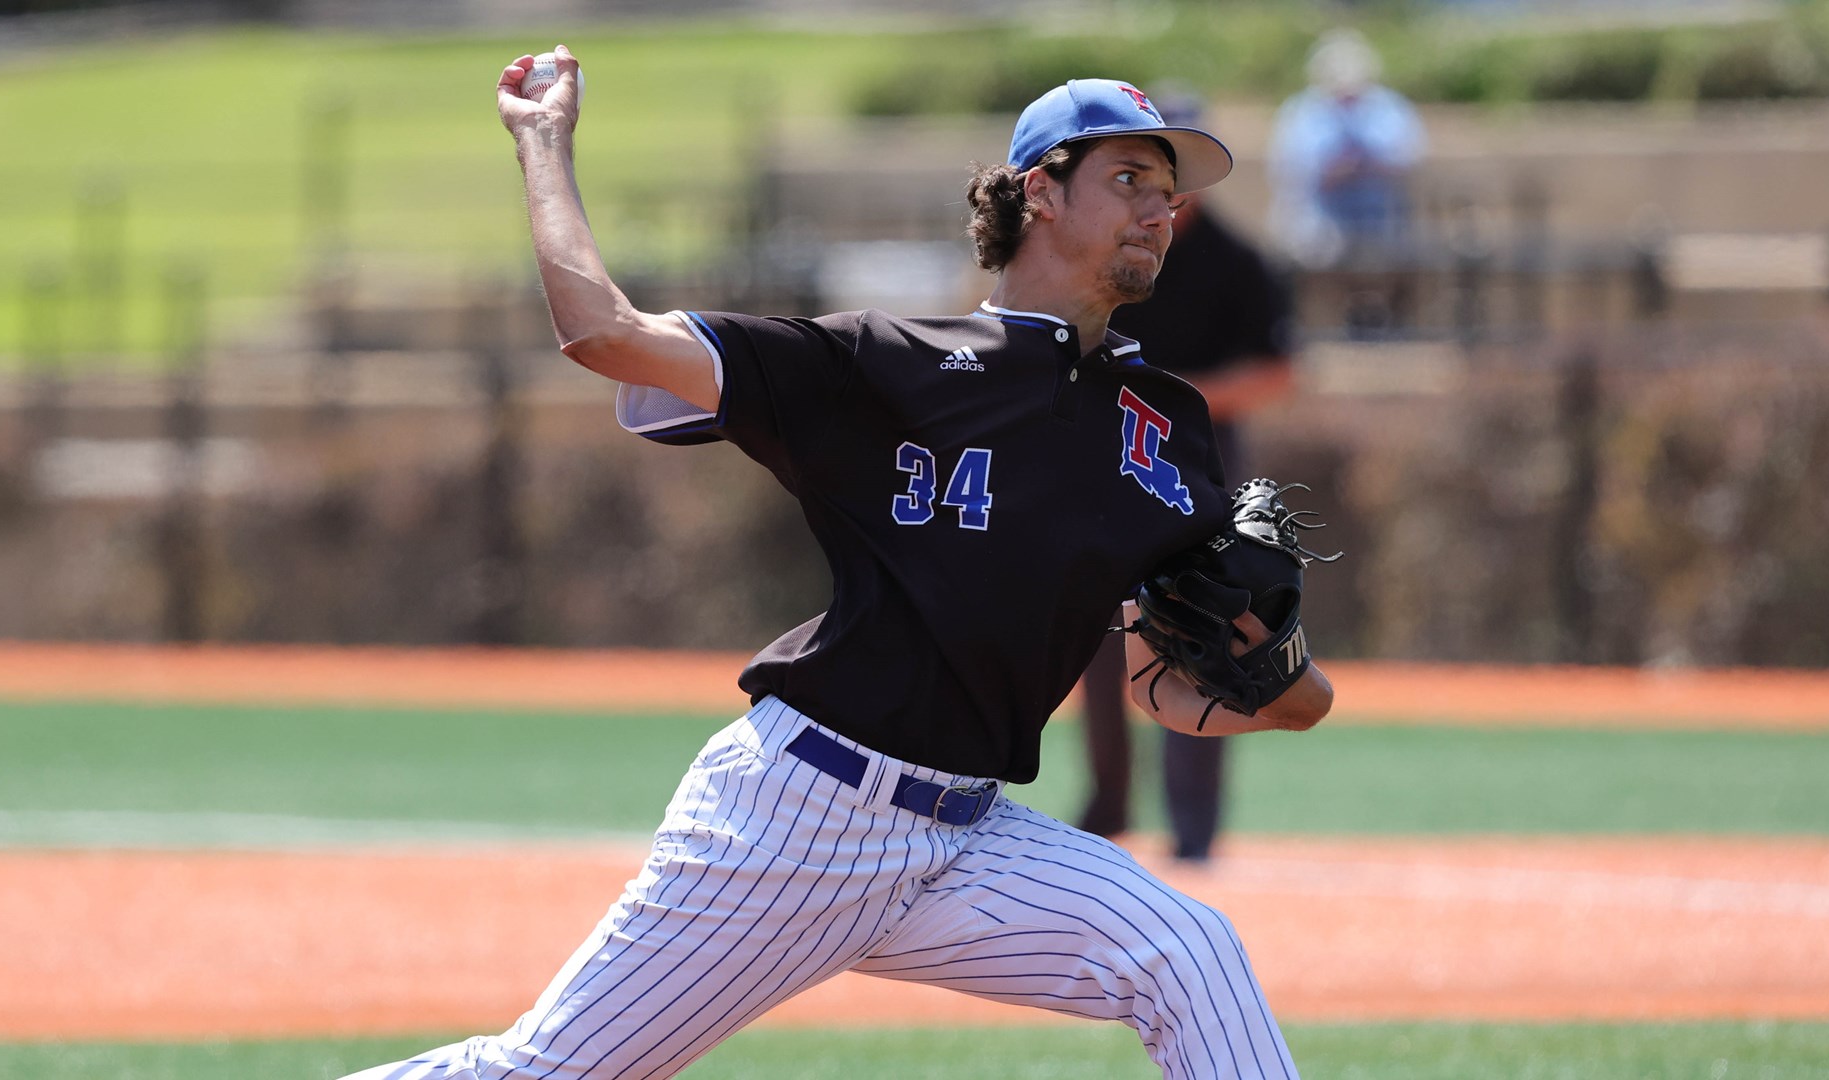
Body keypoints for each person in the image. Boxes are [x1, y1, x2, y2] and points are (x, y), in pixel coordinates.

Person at [343, 53, 1332, 1080]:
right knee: (541, 1075)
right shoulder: (888, 359)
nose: (1159, 211)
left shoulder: (1160, 423)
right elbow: (605, 333)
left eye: (1168, 193)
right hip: (801, 819)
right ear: (1039, 191)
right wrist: (543, 143)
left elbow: (1167, 689)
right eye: (1128, 180)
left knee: (1188, 953)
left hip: (969, 836)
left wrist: (1287, 677)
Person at [1077, 123, 1297, 862]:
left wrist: (1171, 397)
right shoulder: (1107, 250)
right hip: (1101, 456)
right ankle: (1106, 809)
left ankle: (1193, 829)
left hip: (1196, 461)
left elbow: (1277, 370)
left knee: (1198, 634)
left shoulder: (1235, 260)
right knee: (1096, 637)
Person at [1266, 28, 1426, 273]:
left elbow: (1408, 160)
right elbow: (1289, 173)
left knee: (1390, 248)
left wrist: (1373, 167)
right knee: (1312, 244)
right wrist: (1334, 172)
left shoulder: (1389, 107)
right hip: (1318, 221)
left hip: (1379, 219)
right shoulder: (1301, 112)